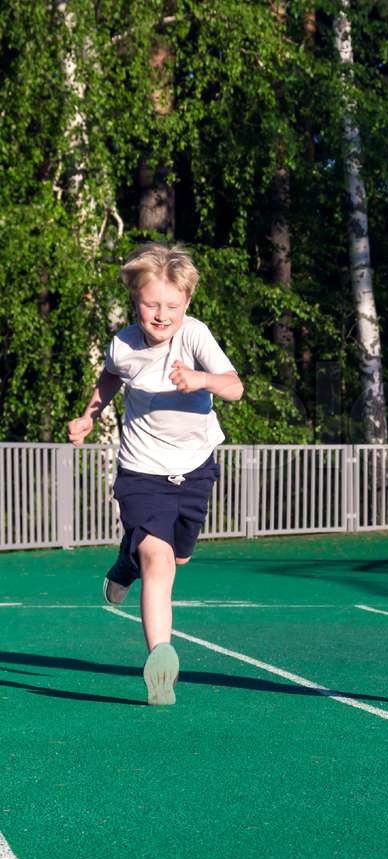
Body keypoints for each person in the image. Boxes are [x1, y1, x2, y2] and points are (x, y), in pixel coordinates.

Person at [67, 243, 244, 705]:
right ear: (135, 300)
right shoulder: (123, 343)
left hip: (195, 468)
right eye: (151, 305)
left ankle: (126, 562)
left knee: (177, 558)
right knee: (159, 562)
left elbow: (235, 387)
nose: (161, 315)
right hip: (141, 471)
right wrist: (89, 415)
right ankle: (160, 659)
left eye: (171, 306)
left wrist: (201, 380)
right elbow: (111, 375)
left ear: (186, 303)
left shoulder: (195, 335)